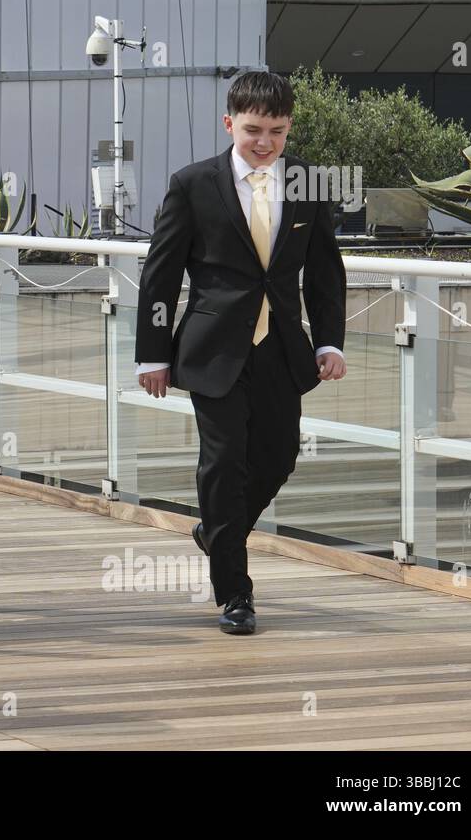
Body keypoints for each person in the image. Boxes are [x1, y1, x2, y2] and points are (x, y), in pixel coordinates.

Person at [134, 70, 347, 635]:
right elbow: (160, 277)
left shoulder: (309, 183)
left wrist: (329, 339)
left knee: (278, 458)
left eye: (277, 131)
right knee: (224, 464)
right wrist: (151, 355)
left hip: (282, 350)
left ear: (288, 128)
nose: (265, 143)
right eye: (253, 129)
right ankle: (235, 593)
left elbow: (326, 271)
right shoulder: (192, 184)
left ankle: (216, 532)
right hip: (213, 351)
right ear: (230, 123)